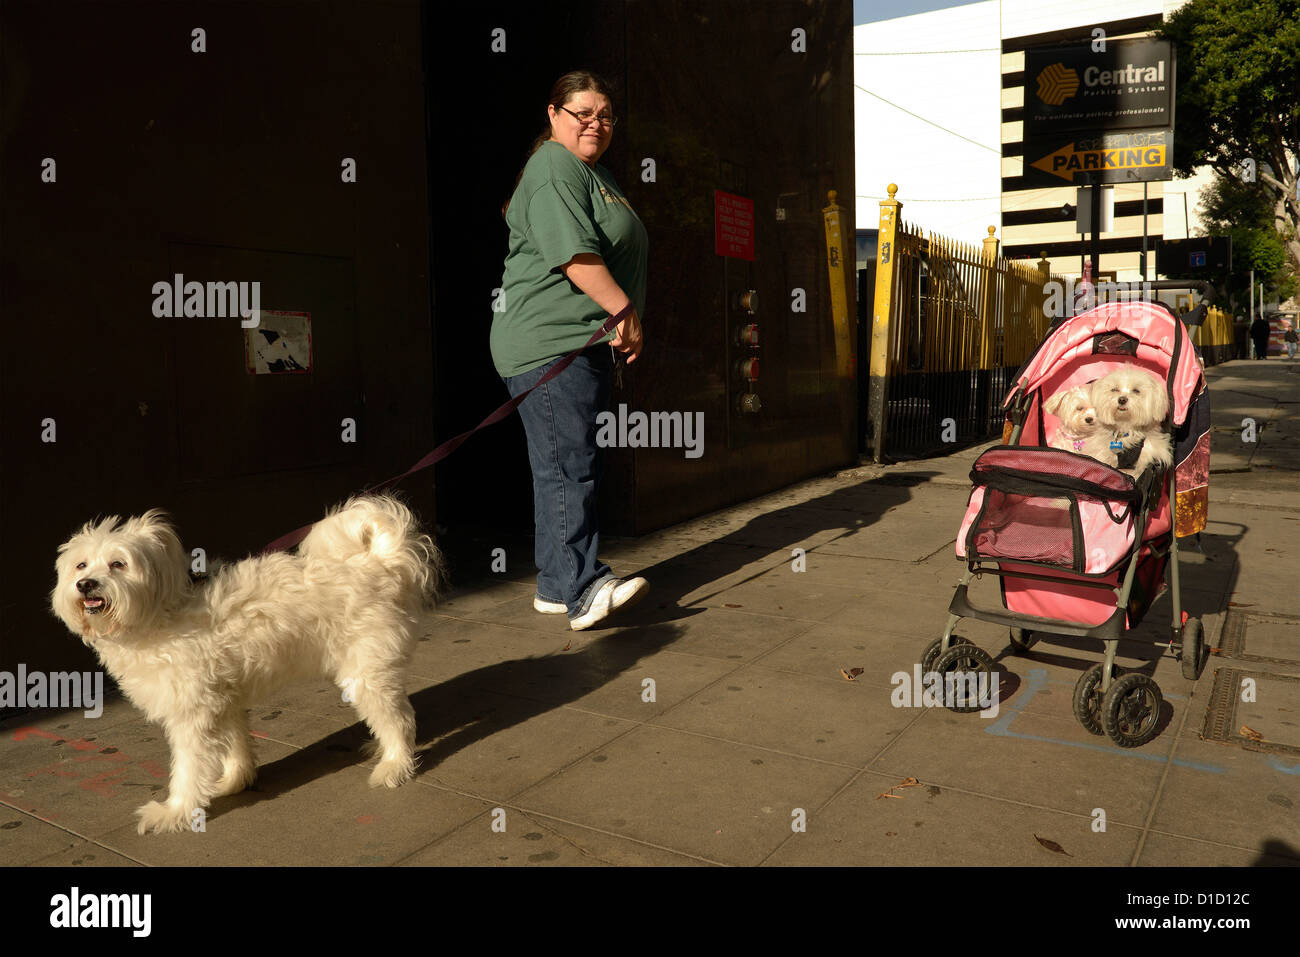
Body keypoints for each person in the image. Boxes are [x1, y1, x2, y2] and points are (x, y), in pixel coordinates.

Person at [492, 70, 649, 631]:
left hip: (576, 342)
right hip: (550, 343)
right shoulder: (554, 164)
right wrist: (623, 312)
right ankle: (582, 589)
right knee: (568, 466)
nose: (595, 123)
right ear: (553, 115)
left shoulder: (592, 173)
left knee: (567, 463)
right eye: (582, 112)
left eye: (605, 116)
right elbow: (573, 254)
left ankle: (558, 586)